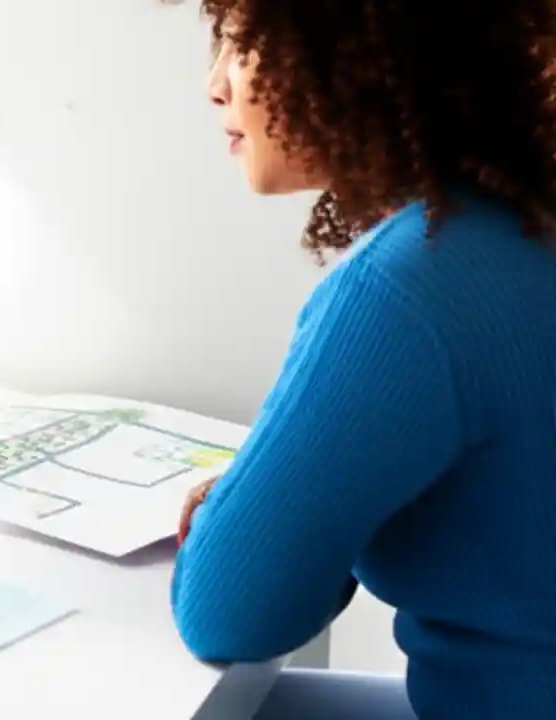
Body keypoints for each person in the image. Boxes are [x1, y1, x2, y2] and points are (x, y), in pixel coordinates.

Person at [168, 0, 556, 718]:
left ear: (353, 51)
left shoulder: (413, 282)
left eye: (241, 40)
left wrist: (239, 509)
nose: (216, 84)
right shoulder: (524, 220)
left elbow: (228, 612)